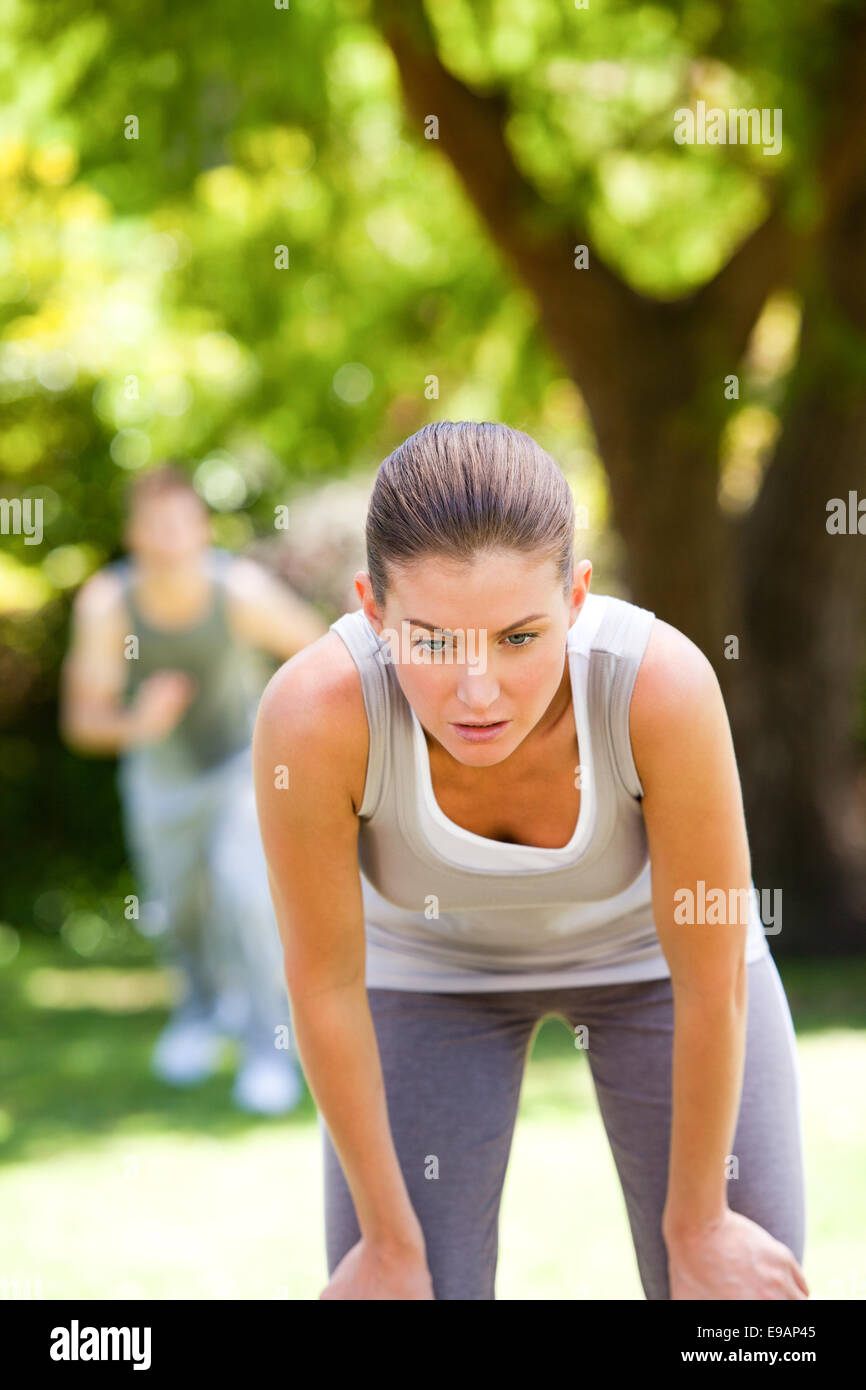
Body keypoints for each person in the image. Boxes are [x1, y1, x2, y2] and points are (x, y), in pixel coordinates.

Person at [252, 420, 809, 1297]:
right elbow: (322, 985)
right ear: (372, 608)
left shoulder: (658, 686)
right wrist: (392, 1245)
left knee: (734, 1312)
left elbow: (713, 977)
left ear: (578, 597)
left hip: (657, 971)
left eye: (519, 637)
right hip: (426, 976)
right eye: (432, 640)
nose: (479, 691)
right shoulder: (316, 715)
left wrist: (700, 1223)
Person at [60, 464, 329, 1115]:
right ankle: (201, 1015)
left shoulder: (238, 589)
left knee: (247, 892)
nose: (172, 539)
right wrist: (136, 722)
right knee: (176, 906)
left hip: (241, 763)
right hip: (160, 774)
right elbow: (81, 723)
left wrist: (291, 737)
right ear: (134, 535)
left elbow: (324, 658)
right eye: (156, 526)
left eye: (183, 523)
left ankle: (271, 1051)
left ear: (202, 528)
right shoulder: (107, 606)